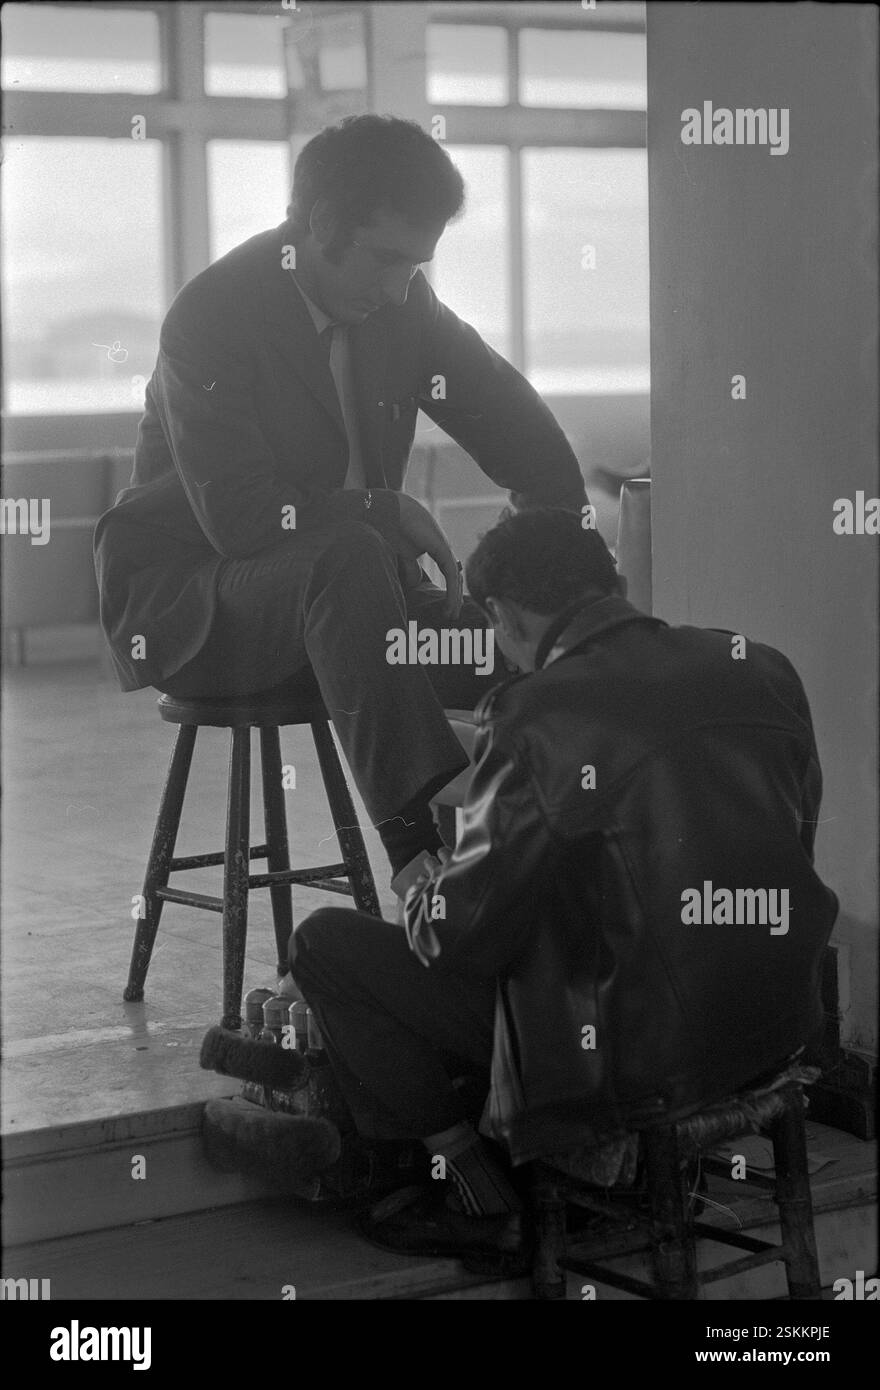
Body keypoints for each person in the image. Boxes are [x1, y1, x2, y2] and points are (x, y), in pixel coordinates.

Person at [288, 508, 839, 1262]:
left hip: (626, 1062)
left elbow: (459, 940)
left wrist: (421, 884)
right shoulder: (761, 666)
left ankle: (473, 1189)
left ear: (504, 616)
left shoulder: (534, 714)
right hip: (776, 1023)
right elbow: (786, 841)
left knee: (325, 947)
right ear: (607, 580)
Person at [93, 115, 587, 907]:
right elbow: (243, 521)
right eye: (386, 258)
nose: (400, 286)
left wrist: (557, 572)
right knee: (351, 555)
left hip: (357, 613)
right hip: (203, 605)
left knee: (510, 642)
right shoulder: (212, 316)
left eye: (417, 264)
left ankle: (533, 870)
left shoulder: (402, 304)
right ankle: (418, 852)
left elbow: (515, 423)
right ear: (318, 227)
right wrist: (381, 511)